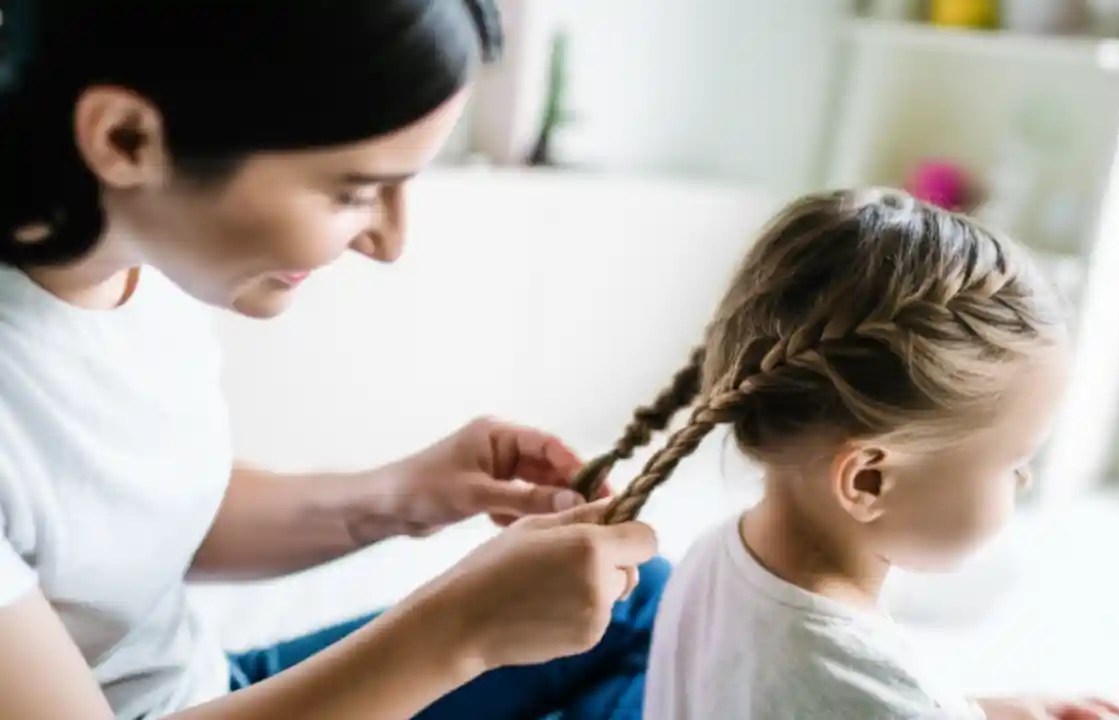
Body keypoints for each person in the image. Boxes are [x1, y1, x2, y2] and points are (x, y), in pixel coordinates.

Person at [0, 2, 667, 718]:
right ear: (126, 139)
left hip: (211, 685)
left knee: (638, 597)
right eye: (355, 192)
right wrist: (462, 631)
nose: (389, 243)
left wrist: (402, 497)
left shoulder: (133, 257)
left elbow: (118, 523)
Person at [572, 189, 1119, 719]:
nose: (1025, 481)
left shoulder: (713, 557)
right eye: (1014, 462)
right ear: (867, 482)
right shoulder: (870, 692)